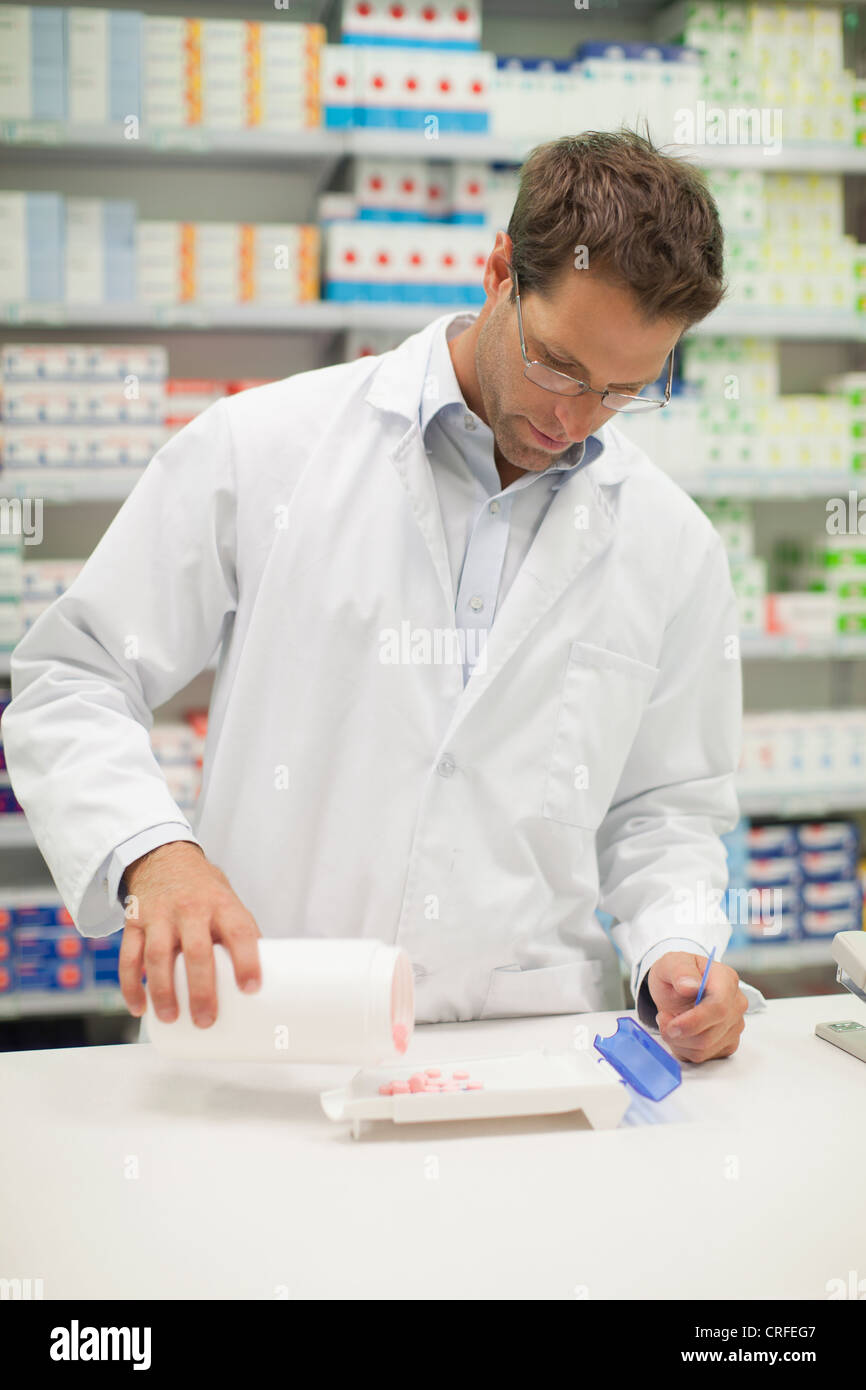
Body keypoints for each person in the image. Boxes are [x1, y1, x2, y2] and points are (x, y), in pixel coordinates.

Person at [3, 128, 748, 1063]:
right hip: (272, 1029)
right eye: (558, 364)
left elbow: (666, 808)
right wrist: (157, 855)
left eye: (622, 390)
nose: (573, 419)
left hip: (525, 1059)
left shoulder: (672, 544)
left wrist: (675, 947)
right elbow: (73, 676)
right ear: (501, 272)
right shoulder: (267, 445)